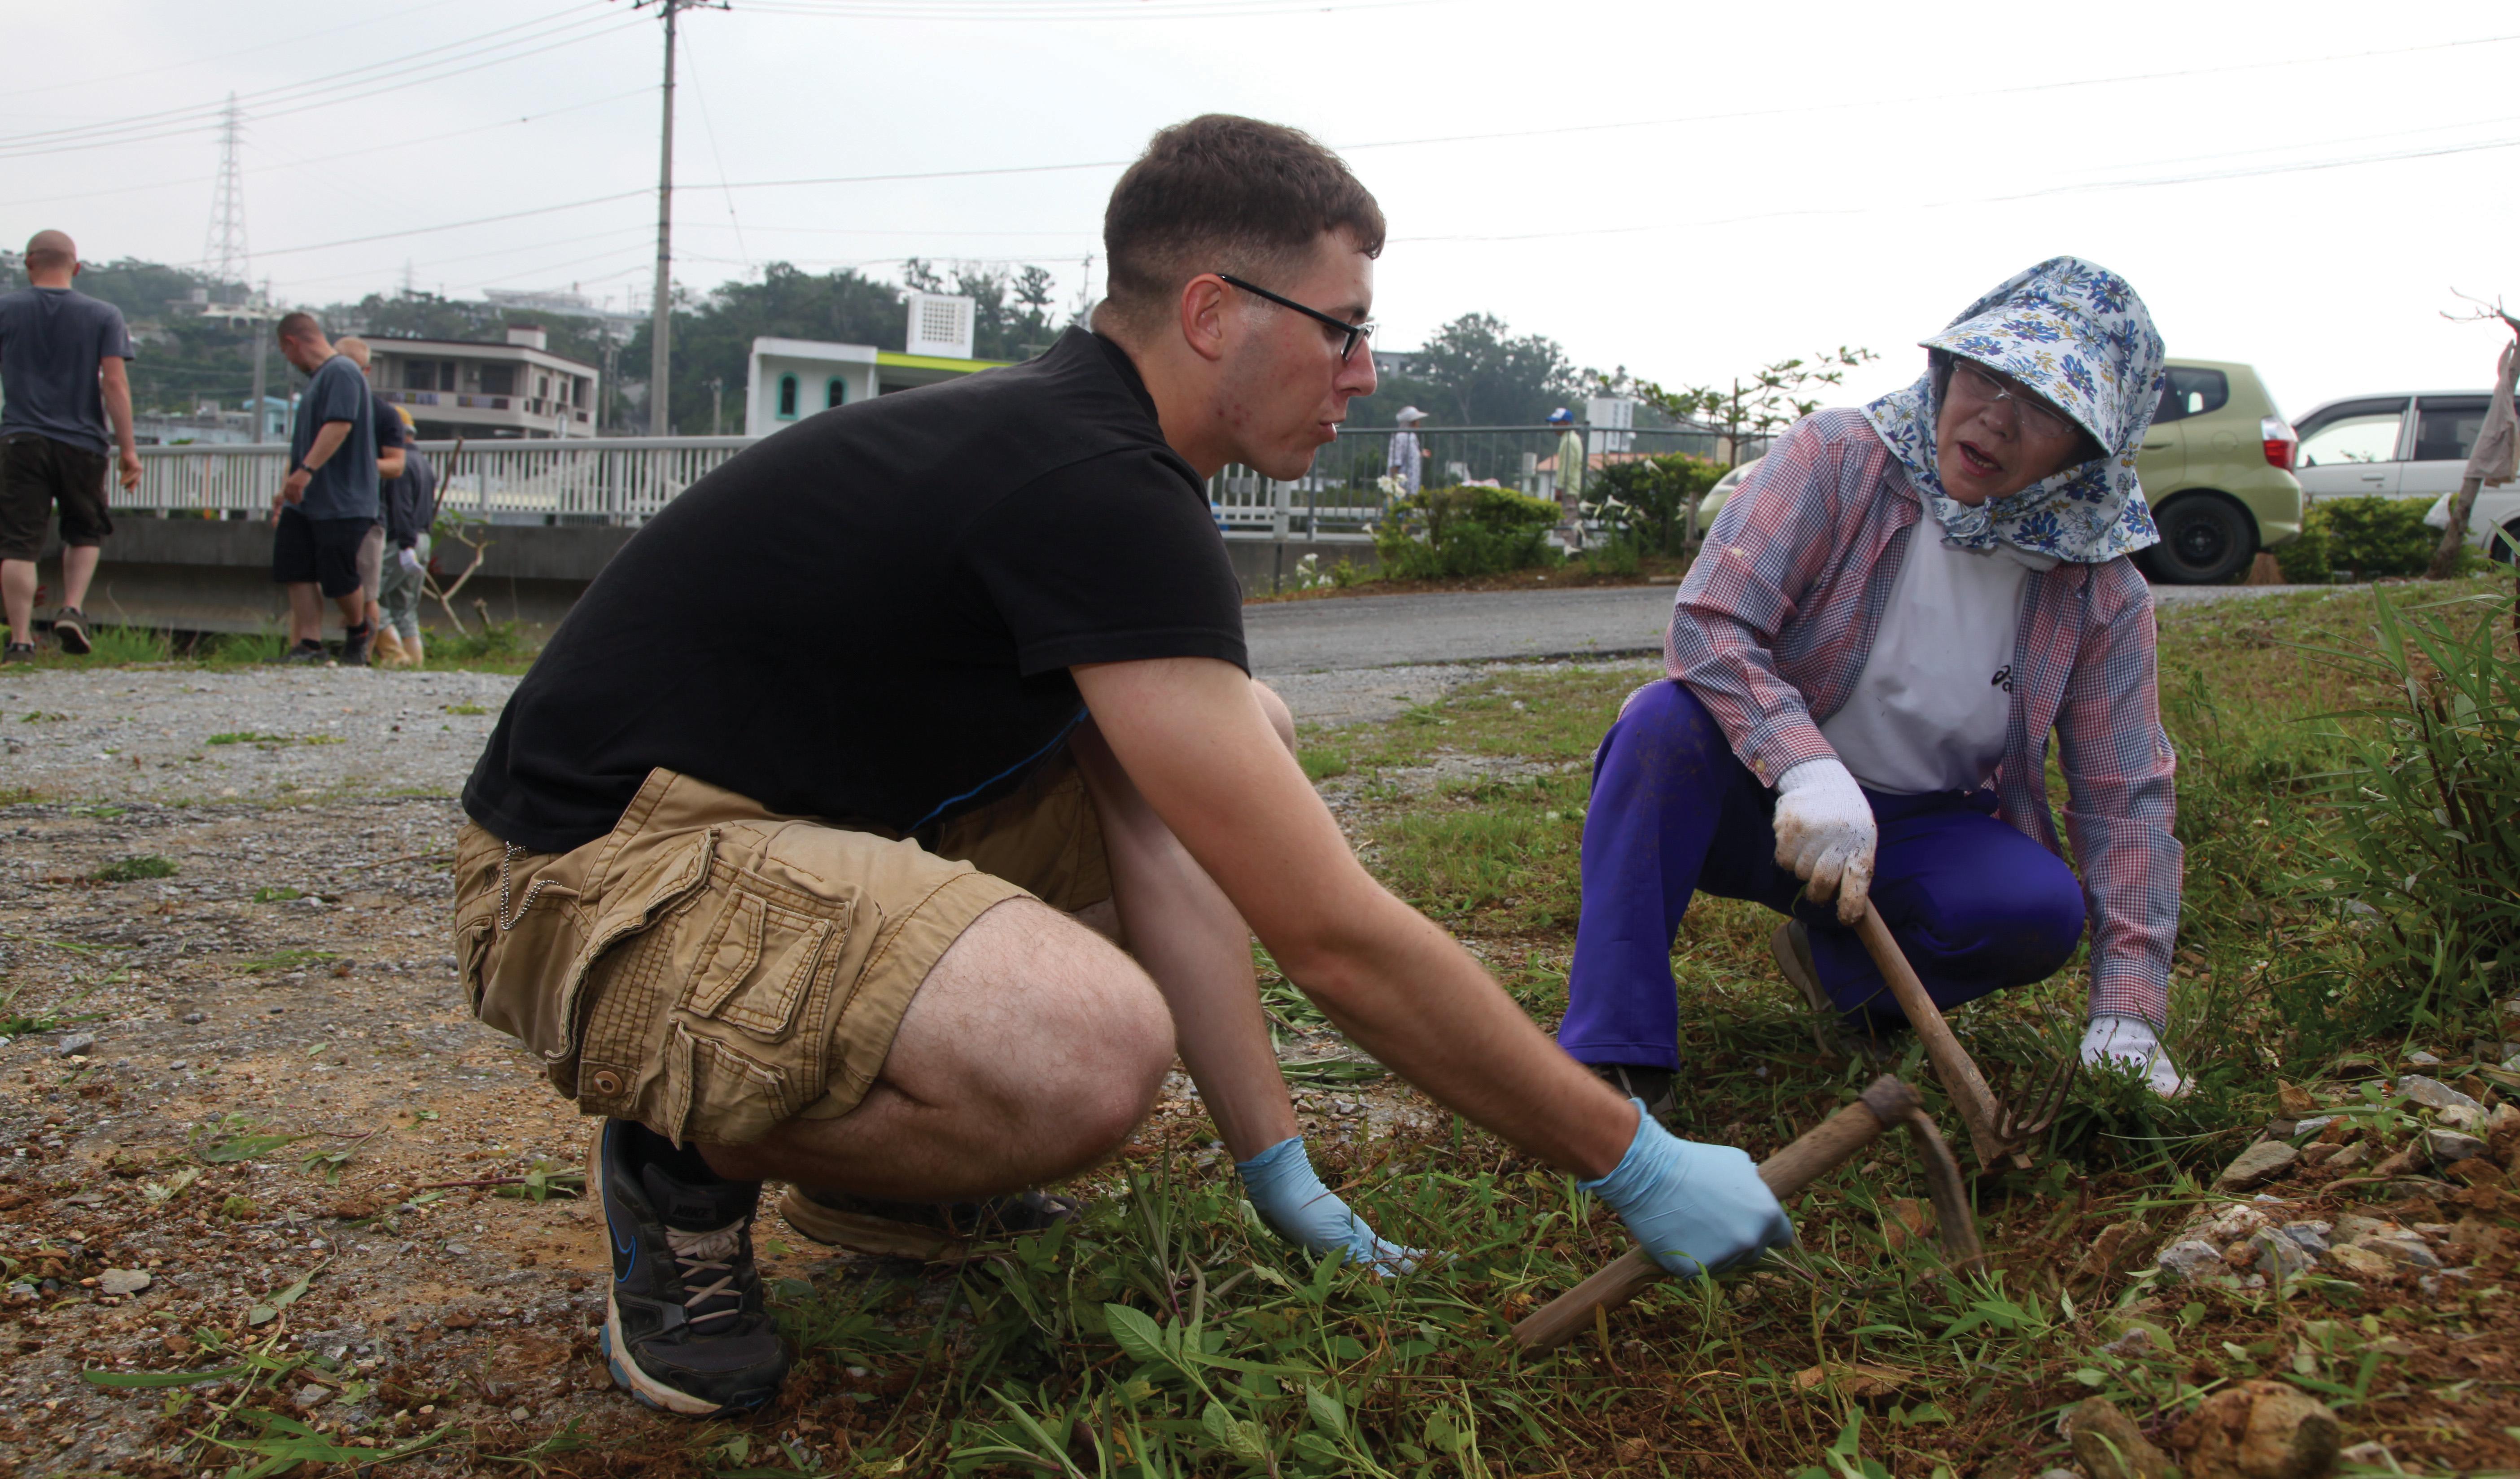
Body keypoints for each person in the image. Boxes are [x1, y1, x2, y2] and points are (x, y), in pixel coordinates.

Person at [456, 115, 1791, 1419]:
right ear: (1214, 312)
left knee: (1241, 734)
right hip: (595, 880)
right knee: (1090, 1054)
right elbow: (1330, 935)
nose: (1366, 372)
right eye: (1345, 325)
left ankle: (878, 1180)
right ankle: (683, 1154)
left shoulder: (1096, 458)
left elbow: (1170, 841)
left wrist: (1281, 1171)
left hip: (765, 843)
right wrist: (1627, 1158)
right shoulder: (1089, 478)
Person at [1556, 257, 2190, 1119]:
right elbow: (1712, 621)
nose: (1994, 421)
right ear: (1946, 367)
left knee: (2036, 908)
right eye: (1983, 376)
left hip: (1920, 830)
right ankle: (1612, 1049)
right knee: (1661, 724)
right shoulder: (1840, 458)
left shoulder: (2100, 589)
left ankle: (1845, 974)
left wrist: (2129, 1011)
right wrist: (1805, 768)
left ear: (2091, 446)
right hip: (1755, 798)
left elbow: (2127, 799)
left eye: (2041, 409)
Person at [0, 230, 141, 662]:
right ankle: (73, 608)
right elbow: (114, 383)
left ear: (28, 264)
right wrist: (129, 450)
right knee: (85, 531)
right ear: (76, 267)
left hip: (20, 438)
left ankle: (21, 640)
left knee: (18, 543)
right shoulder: (104, 315)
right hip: (83, 443)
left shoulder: (6, 309)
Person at [268, 313, 380, 665]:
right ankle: (309, 643)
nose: (289, 361)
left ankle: (359, 629)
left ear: (292, 342)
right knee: (295, 567)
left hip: (342, 498)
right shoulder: (318, 380)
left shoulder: (342, 372)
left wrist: (305, 472)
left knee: (338, 574)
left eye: (286, 352)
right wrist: (287, 485)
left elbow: (339, 425)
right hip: (305, 500)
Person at [335, 338, 410, 657]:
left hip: (367, 513)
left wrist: (355, 465)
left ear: (366, 371)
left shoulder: (383, 414)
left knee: (368, 590)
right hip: (326, 509)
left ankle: (362, 653)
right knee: (319, 581)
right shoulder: (323, 404)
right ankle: (307, 644)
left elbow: (397, 464)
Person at [375, 416, 434, 667]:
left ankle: (395, 657)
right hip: (423, 538)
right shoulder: (423, 462)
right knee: (406, 606)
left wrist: (405, 544)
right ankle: (416, 660)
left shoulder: (400, 464)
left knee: (371, 598)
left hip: (401, 539)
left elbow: (401, 506)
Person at [1386, 403, 1426, 496]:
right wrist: (1394, 486)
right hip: (1402, 488)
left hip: (1411, 487)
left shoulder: (1412, 437)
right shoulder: (1401, 437)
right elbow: (1396, 461)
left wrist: (1420, 455)